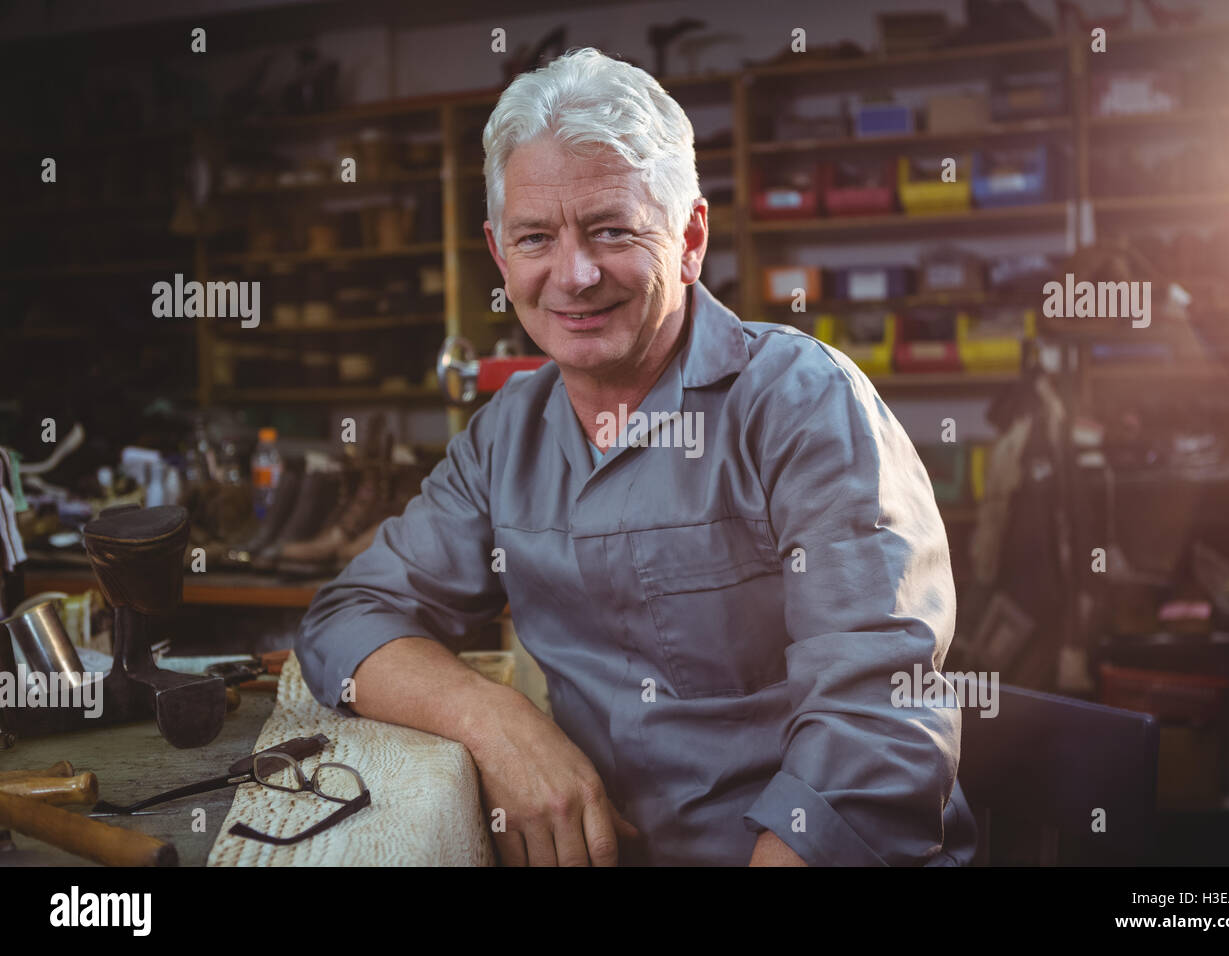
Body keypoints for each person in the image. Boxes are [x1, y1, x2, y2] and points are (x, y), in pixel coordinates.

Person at [297, 46, 977, 867]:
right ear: (499, 255)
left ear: (690, 238)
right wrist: (495, 721)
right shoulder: (504, 436)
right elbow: (345, 621)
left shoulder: (800, 403)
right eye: (537, 237)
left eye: (612, 230)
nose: (574, 275)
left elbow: (877, 729)